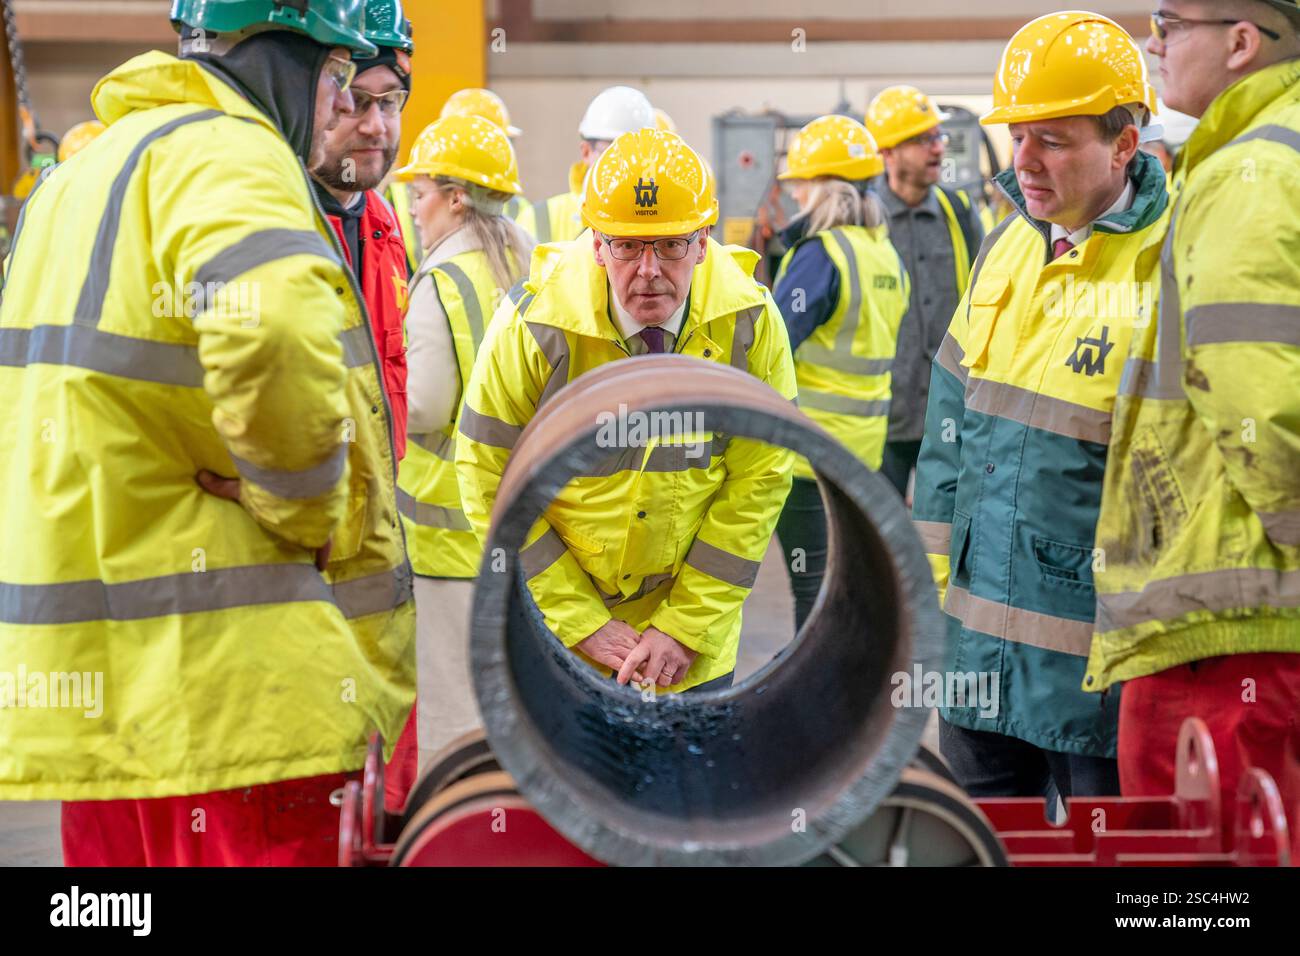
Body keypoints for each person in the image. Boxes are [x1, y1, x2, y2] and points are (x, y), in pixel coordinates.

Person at [0, 0, 415, 866]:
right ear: (274, 55)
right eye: (338, 74)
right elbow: (270, 329)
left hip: (102, 710)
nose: (345, 105)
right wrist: (298, 506)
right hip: (234, 695)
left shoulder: (77, 177)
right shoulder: (231, 152)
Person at [913, 11, 1170, 800]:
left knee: (1109, 859)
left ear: (1124, 143)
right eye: (1017, 134)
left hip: (1091, 677)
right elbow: (947, 436)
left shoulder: (1169, 261)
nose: (1021, 161)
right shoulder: (1006, 245)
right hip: (969, 662)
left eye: (1052, 140)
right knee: (984, 846)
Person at [456, 128, 795, 693]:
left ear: (704, 241)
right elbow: (487, 473)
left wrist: (685, 626)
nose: (648, 270)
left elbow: (759, 481)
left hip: (693, 650)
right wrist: (579, 621)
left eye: (670, 245)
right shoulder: (535, 324)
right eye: (627, 246)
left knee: (690, 777)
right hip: (563, 638)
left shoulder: (750, 322)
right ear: (594, 244)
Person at [1086, 0, 1300, 854]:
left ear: (1242, 42)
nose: (1154, 42)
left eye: (1170, 23)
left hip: (1230, 613)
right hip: (1244, 605)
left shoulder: (1250, 168)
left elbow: (1253, 384)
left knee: (1193, 878)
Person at [392, 114, 535, 759]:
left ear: (455, 198)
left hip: (446, 536)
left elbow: (422, 405)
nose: (414, 209)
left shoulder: (440, 280)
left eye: (420, 193)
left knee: (453, 717)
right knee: (511, 700)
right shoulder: (521, 269)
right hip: (520, 524)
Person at [309, 0, 417, 812]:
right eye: (358, 101)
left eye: (392, 103)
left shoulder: (381, 225)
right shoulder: (276, 223)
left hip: (374, 544)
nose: (375, 126)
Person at [770, 115, 909, 633]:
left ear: (821, 187)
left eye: (801, 184)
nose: (795, 196)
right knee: (837, 586)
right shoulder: (883, 253)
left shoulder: (820, 256)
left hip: (807, 457)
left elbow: (773, 343)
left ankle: (824, 704)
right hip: (862, 454)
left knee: (813, 594)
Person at [866, 85, 983, 501]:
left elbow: (985, 297)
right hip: (884, 414)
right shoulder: (863, 221)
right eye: (920, 140)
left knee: (951, 534)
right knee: (880, 540)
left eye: (936, 137)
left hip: (949, 406)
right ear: (888, 153)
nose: (936, 148)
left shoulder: (960, 213)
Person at [516, 85, 655, 245]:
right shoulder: (536, 219)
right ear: (586, 152)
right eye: (614, 154)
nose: (626, 166)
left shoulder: (661, 220)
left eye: (637, 155)